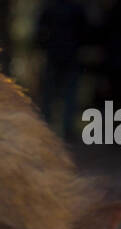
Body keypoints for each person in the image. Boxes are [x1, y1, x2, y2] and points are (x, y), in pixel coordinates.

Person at [35, 0, 88, 139]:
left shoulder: (51, 8)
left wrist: (44, 46)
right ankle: (66, 128)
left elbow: (40, 31)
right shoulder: (76, 9)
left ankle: (46, 126)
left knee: (50, 94)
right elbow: (85, 32)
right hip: (69, 56)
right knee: (67, 94)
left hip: (56, 56)